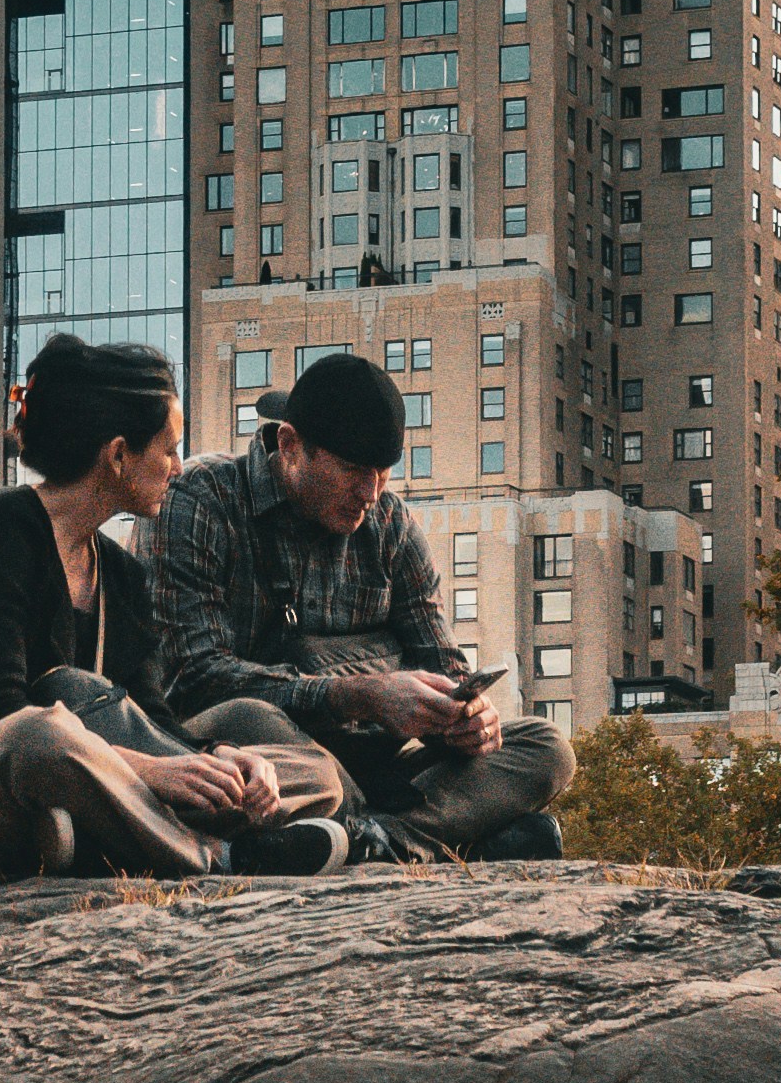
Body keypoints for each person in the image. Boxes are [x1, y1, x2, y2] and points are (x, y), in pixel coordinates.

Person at [0, 334, 355, 881]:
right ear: (117, 456)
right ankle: (217, 855)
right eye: (168, 449)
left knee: (308, 768)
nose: (178, 467)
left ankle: (119, 835)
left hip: (82, 788)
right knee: (43, 732)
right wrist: (155, 773)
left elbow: (154, 721)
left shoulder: (123, 573)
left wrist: (221, 759)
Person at [150, 352, 575, 863]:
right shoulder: (200, 498)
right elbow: (193, 678)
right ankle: (443, 838)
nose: (370, 492)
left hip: (380, 768)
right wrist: (360, 696)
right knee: (258, 723)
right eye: (352, 470)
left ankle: (376, 841)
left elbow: (441, 660)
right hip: (264, 761)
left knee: (546, 748)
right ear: (289, 445)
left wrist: (467, 717)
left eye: (382, 472)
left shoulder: (391, 525)